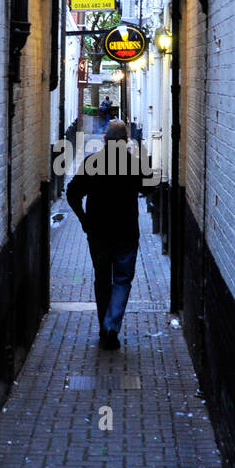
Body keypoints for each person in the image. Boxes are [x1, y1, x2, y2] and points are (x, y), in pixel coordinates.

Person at [66, 119, 159, 350]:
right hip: (126, 232)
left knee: (102, 278)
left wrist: (84, 219)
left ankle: (103, 326)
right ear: (127, 140)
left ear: (105, 140)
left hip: (97, 232)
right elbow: (150, 186)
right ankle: (111, 326)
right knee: (122, 280)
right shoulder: (133, 163)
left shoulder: (92, 162)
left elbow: (72, 193)